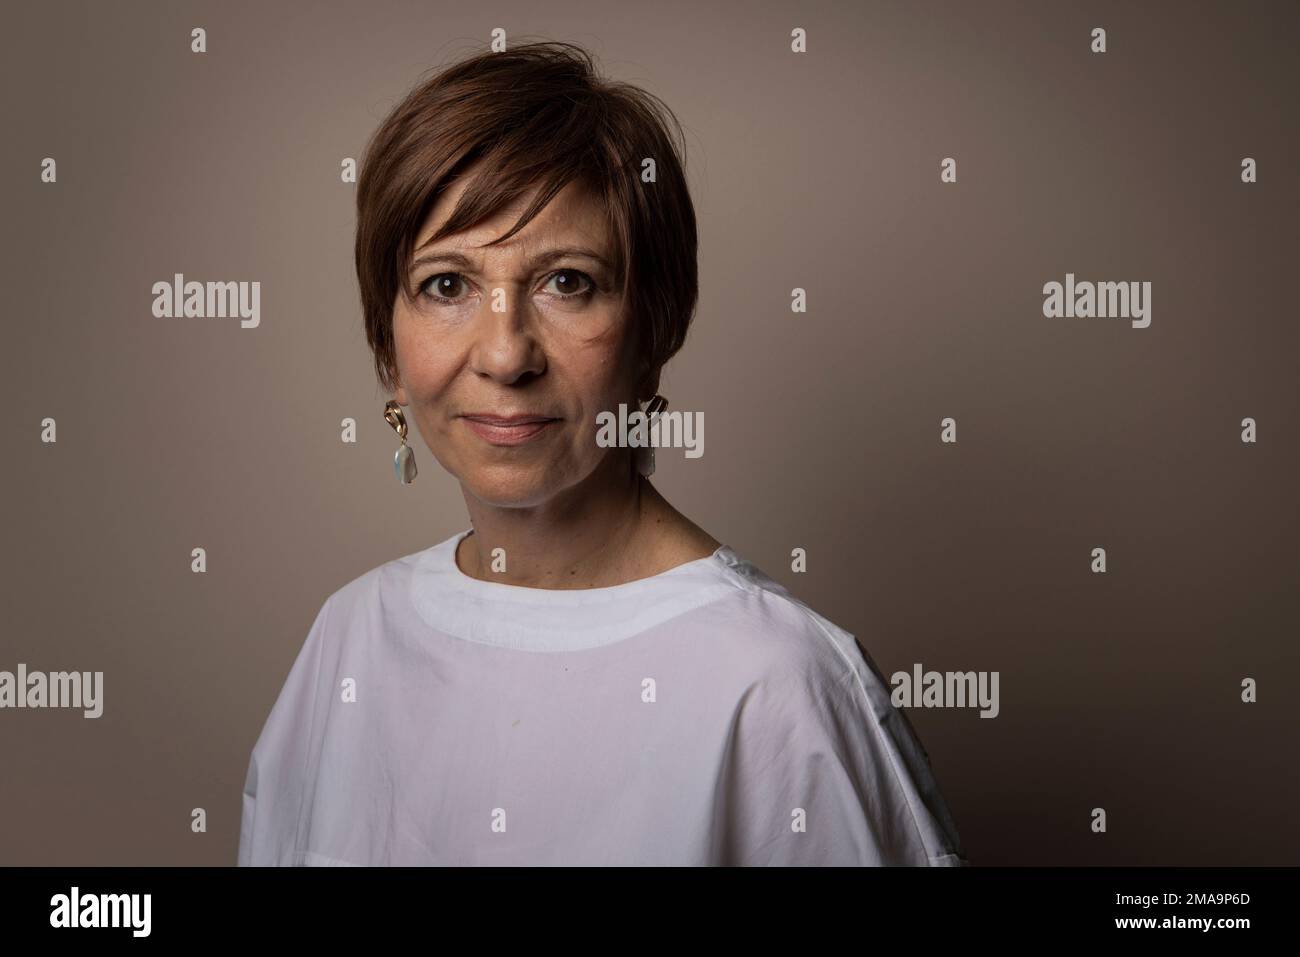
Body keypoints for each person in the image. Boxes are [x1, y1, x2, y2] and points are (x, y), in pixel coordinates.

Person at [237, 40, 966, 866]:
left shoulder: (780, 683)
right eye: (447, 285)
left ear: (654, 330)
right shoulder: (350, 638)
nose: (506, 354)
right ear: (387, 349)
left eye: (568, 282)